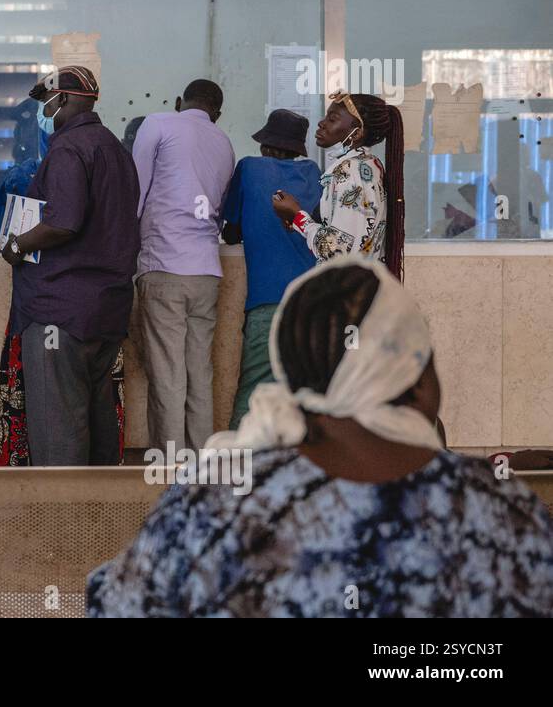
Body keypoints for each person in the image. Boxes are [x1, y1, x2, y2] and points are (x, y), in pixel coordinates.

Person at [87, 255, 553, 617]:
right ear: (420, 381)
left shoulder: (212, 503)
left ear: (291, 371)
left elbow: (117, 605)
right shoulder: (507, 515)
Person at [0, 66, 139, 466]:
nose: (45, 111)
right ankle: (97, 521)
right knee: (97, 424)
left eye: (47, 102)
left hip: (58, 312)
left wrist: (16, 244)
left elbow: (63, 221)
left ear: (62, 99)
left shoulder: (67, 148)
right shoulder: (115, 149)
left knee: (58, 429)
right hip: (105, 312)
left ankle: (63, 524)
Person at [132, 79, 235, 451]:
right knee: (199, 375)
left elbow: (135, 195)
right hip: (206, 271)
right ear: (217, 114)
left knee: (168, 376)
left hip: (165, 264)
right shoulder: (224, 143)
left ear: (179, 101)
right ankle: (201, 473)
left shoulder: (157, 124)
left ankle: (169, 473)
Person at [221, 109, 321, 430]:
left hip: (268, 301)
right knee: (302, 390)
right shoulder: (313, 173)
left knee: (255, 388)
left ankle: (237, 463)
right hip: (310, 301)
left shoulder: (250, 169)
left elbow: (231, 231)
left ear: (264, 144)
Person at [271, 90, 406, 278]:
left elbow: (336, 251)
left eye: (332, 119)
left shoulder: (349, 170)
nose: (321, 123)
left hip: (343, 294)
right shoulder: (370, 165)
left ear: (356, 132)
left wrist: (297, 217)